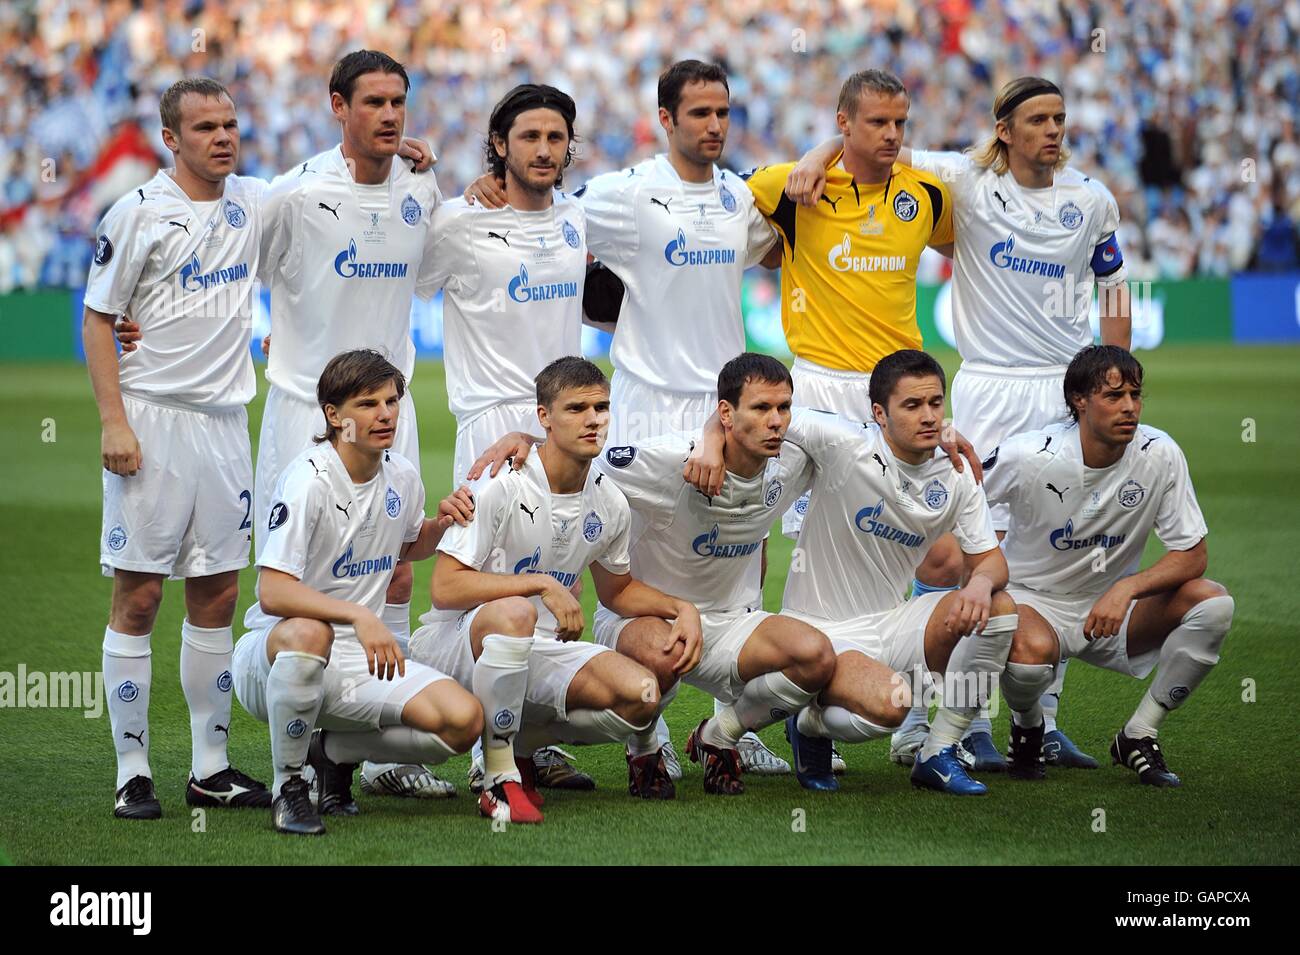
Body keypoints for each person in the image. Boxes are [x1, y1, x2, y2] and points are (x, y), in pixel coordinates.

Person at [786, 75, 1132, 769]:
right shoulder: (964, 182)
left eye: (1060, 118)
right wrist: (818, 151)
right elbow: (875, 149)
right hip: (991, 389)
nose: (1054, 131)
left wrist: (1111, 376)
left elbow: (1114, 289)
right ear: (1004, 129)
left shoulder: (1092, 200)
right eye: (1038, 119)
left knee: (1048, 557)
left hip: (1064, 395)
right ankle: (933, 721)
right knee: (955, 555)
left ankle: (1037, 718)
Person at [467, 60, 788, 777]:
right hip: (647, 404)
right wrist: (487, 184)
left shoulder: (738, 199)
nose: (713, 125)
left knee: (744, 549)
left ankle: (729, 716)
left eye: (723, 113)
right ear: (666, 120)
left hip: (722, 404)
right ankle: (647, 727)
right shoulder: (625, 194)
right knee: (627, 557)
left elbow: (772, 245)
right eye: (698, 113)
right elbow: (547, 203)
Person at [84, 77, 271, 819]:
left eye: (229, 124)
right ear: (171, 139)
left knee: (219, 592)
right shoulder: (136, 214)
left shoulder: (253, 202)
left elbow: (339, 177)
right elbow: (100, 319)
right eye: (204, 128)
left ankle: (210, 765)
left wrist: (409, 153)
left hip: (226, 424)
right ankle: (132, 768)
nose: (222, 137)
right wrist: (112, 421)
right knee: (139, 594)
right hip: (153, 421)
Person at [409, 358, 702, 822]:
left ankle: (523, 746)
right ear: (543, 417)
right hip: (458, 645)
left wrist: (681, 608)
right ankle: (498, 777)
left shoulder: (609, 499)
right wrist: (541, 584)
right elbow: (444, 588)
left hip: (541, 647)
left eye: (602, 407)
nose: (593, 420)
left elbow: (617, 591)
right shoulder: (499, 483)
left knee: (643, 695)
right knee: (514, 613)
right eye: (576, 409)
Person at [231, 350, 483, 835]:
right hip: (275, 658)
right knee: (309, 634)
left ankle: (329, 755)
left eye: (391, 401)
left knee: (463, 721)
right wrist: (359, 616)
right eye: (368, 404)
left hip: (357, 661)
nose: (385, 414)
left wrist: (441, 522)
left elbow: (409, 546)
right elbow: (272, 591)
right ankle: (289, 787)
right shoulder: (308, 480)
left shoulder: (402, 475)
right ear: (333, 415)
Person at [983, 346, 1232, 787]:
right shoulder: (1029, 455)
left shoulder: (1160, 453)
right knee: (1027, 660)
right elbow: (966, 498)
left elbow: (1192, 554)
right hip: (1032, 603)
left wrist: (1127, 588)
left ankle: (1139, 733)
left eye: (1135, 395)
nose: (1130, 407)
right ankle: (1028, 726)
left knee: (1213, 604)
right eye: (1114, 396)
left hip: (1113, 611)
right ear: (1080, 400)